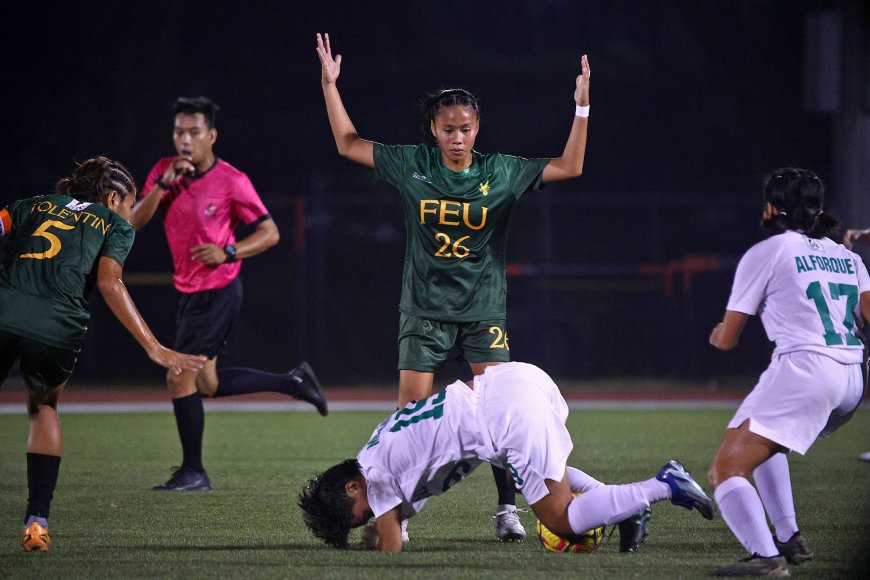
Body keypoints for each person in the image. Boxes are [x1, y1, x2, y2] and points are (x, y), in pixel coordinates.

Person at [315, 32, 594, 541]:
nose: (458, 138)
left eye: (465, 129)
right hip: (423, 311)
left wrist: (581, 108)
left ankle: (507, 510)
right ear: (433, 129)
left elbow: (571, 165)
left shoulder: (500, 172)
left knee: (498, 415)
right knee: (409, 418)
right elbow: (347, 143)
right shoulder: (413, 165)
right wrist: (330, 85)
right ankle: (398, 518)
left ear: (477, 128)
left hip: (482, 309)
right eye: (448, 129)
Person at [0, 157, 207, 552]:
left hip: (5, 309)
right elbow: (110, 283)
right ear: (113, 198)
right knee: (43, 407)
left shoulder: (33, 204)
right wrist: (154, 346)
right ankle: (36, 523)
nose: (129, 213)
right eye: (129, 204)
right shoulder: (114, 223)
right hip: (57, 324)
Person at [298, 362, 713, 552]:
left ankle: (662, 485)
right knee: (538, 476)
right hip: (513, 380)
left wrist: (375, 539)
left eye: (362, 514)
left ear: (352, 486)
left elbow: (391, 548)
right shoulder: (373, 451)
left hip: (502, 415)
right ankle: (625, 509)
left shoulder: (376, 477)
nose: (372, 515)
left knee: (560, 519)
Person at [131, 96, 327, 492]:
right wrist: (163, 184)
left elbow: (270, 233)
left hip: (218, 290)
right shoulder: (164, 171)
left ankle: (194, 471)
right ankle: (292, 381)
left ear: (212, 136)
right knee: (206, 384)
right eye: (179, 132)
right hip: (189, 291)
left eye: (194, 132)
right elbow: (134, 222)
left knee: (178, 376)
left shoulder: (232, 181)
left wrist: (230, 251)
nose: (185, 140)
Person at [707, 168, 870, 576]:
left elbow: (728, 339)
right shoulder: (848, 256)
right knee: (766, 437)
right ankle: (788, 535)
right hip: (853, 378)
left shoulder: (769, 250)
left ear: (771, 208)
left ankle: (766, 558)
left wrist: (716, 333)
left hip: (807, 369)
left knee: (726, 469)